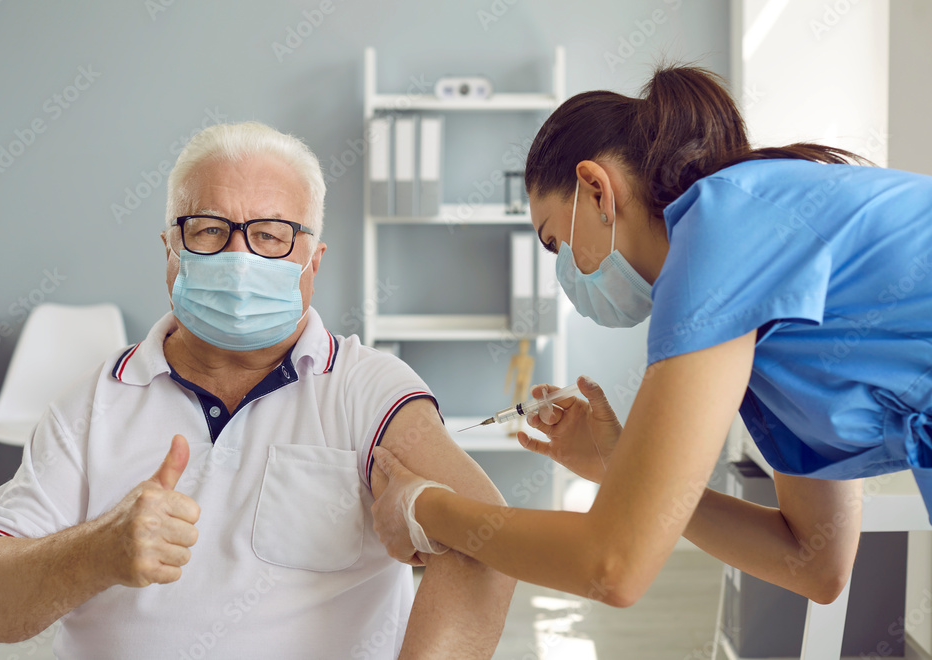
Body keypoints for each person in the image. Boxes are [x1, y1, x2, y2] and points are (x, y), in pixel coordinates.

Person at [370, 65, 932, 608]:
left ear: (596, 190)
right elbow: (813, 562)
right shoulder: (757, 328)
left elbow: (613, 568)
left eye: (553, 243)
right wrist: (618, 471)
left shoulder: (721, 235)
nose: (564, 269)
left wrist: (426, 507)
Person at [0, 122, 514, 658]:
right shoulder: (94, 403)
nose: (239, 257)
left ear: (313, 260)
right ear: (170, 249)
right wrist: (97, 552)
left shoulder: (367, 391)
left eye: (271, 234)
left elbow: (489, 545)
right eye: (209, 230)